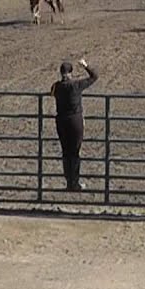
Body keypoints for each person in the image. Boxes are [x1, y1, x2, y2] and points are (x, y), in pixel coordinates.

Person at [50, 59, 99, 191]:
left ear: (61, 73)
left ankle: (68, 181)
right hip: (75, 121)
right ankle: (75, 182)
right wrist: (85, 65)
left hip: (61, 121)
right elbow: (94, 76)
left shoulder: (56, 86)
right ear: (71, 72)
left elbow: (51, 92)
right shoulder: (76, 85)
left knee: (66, 153)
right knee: (75, 152)